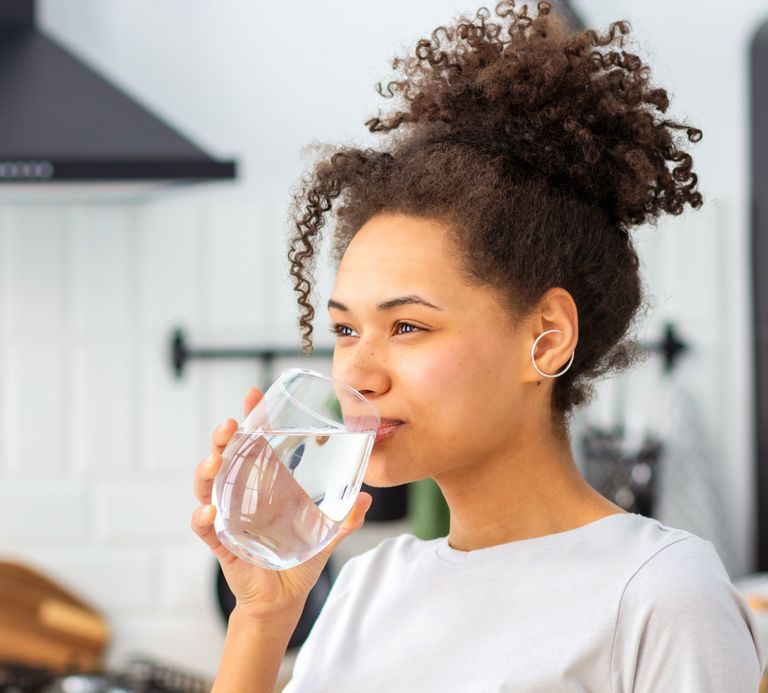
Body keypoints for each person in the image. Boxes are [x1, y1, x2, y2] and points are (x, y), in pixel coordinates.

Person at [191, 2, 766, 690]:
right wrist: (262, 617)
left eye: (407, 326)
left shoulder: (661, 592)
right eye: (346, 329)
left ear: (545, 337)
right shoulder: (364, 590)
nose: (359, 374)